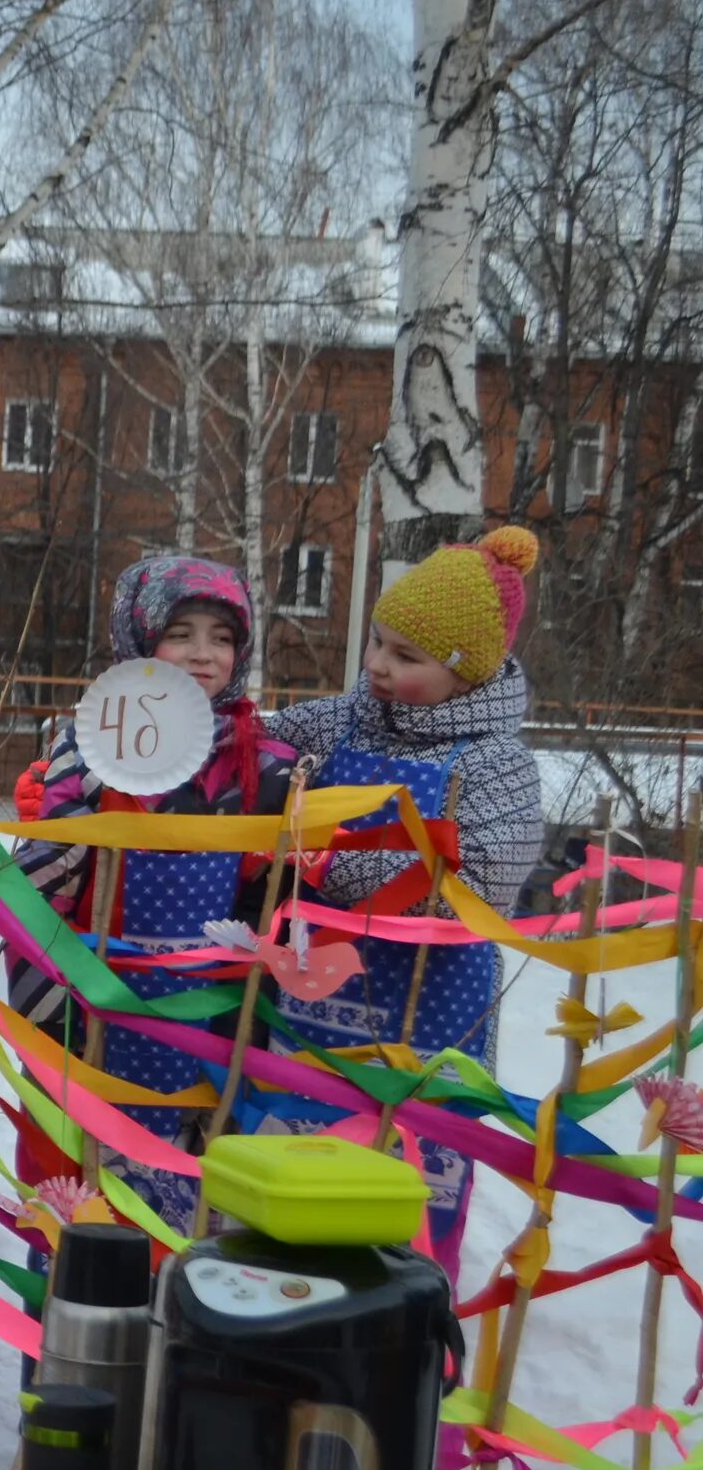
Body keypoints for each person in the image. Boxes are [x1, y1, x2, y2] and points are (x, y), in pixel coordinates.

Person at [262, 529, 547, 1273]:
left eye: (406, 656)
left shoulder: (497, 763)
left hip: (429, 1021)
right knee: (295, 1189)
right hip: (315, 1012)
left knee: (404, 1204)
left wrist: (337, 864)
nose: (378, 666)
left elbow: (482, 879)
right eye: (378, 642)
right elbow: (252, 748)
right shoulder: (340, 720)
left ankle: (400, 1340)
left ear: (464, 671)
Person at [5, 556, 296, 1233]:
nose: (202, 654)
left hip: (207, 1019)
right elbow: (41, 882)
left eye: (222, 637)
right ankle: (72, 1333)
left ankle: (176, 1334)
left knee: (185, 1199)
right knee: (85, 1205)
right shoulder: (91, 739)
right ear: (139, 640)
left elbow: (271, 890)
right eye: (181, 633)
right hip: (96, 1006)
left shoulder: (261, 759)